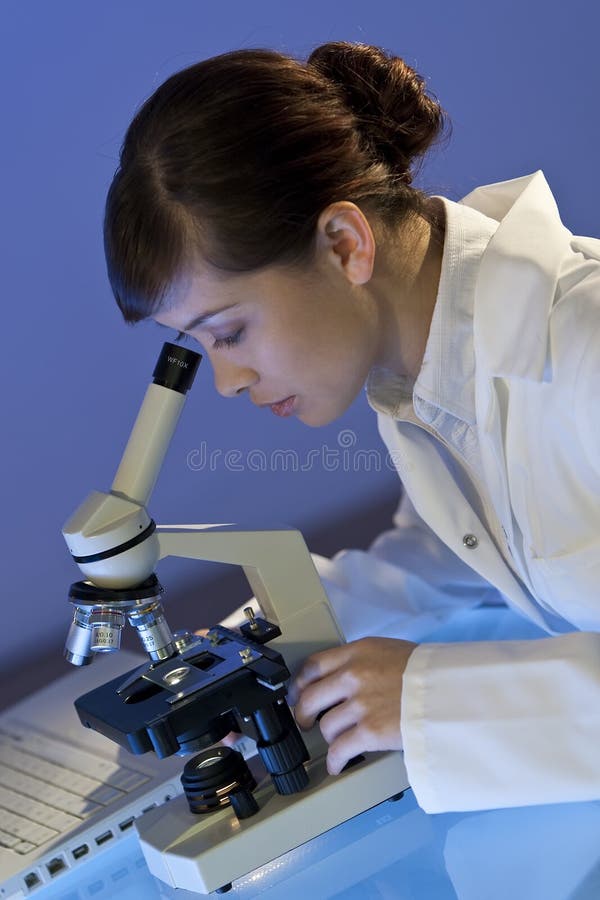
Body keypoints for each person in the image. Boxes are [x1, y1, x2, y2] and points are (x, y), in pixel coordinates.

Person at [103, 42, 600, 813]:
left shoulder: (586, 347)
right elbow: (446, 556)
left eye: (229, 332)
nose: (227, 381)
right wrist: (239, 655)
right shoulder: (424, 379)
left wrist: (433, 700)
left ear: (345, 244)